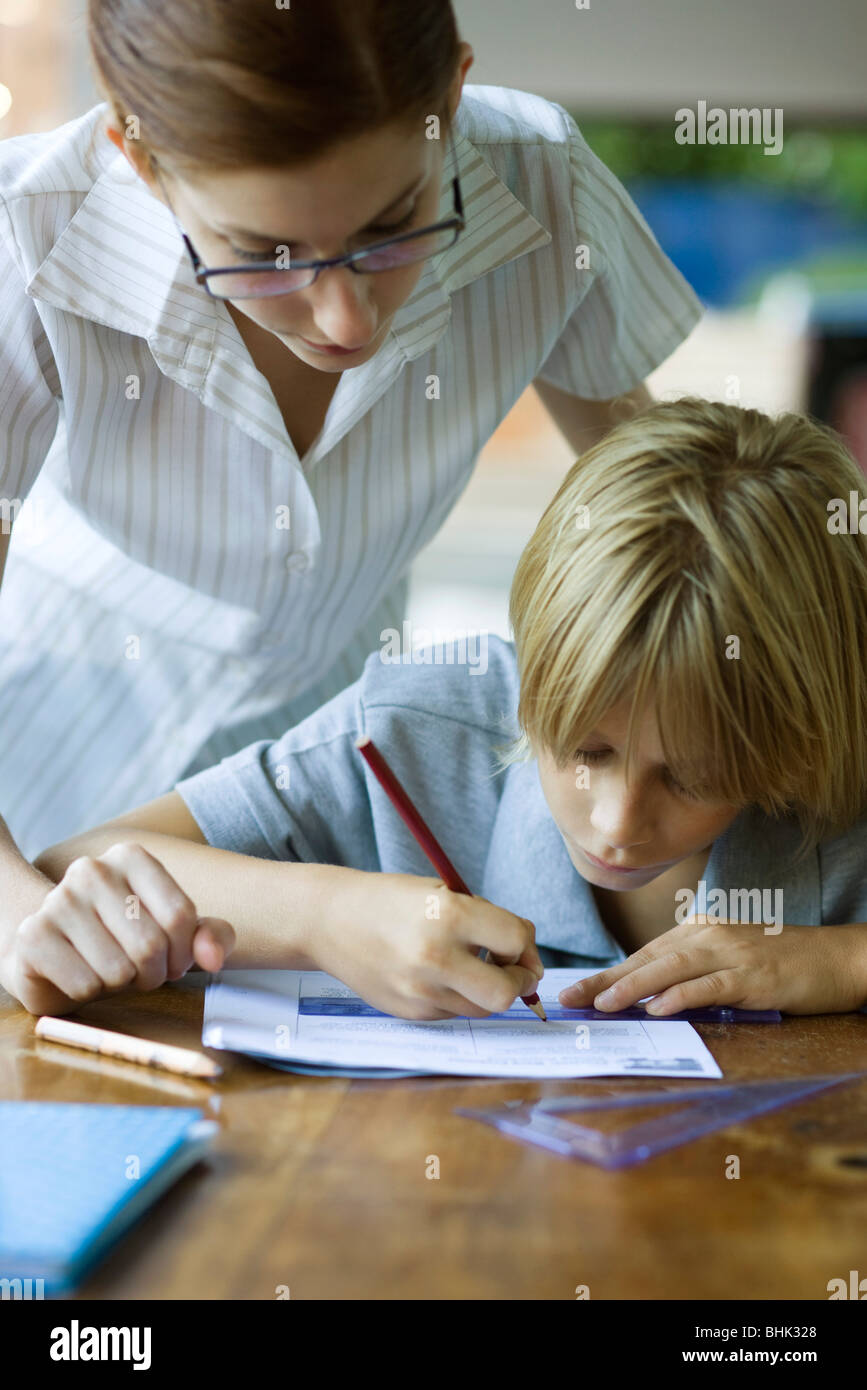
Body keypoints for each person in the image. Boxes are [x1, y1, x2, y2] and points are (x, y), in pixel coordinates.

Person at [0, 0, 701, 863]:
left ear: (453, 91)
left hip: (330, 759)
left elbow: (670, 513)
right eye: (263, 253)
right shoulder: (24, 234)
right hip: (50, 732)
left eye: (392, 224)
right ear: (137, 159)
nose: (345, 317)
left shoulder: (542, 181)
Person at [5, 397, 867, 1021]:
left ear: (803, 732)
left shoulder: (837, 759)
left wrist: (837, 960)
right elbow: (79, 865)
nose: (616, 823)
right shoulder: (424, 723)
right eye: (582, 749)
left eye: (692, 777)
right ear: (532, 669)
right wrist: (323, 918)